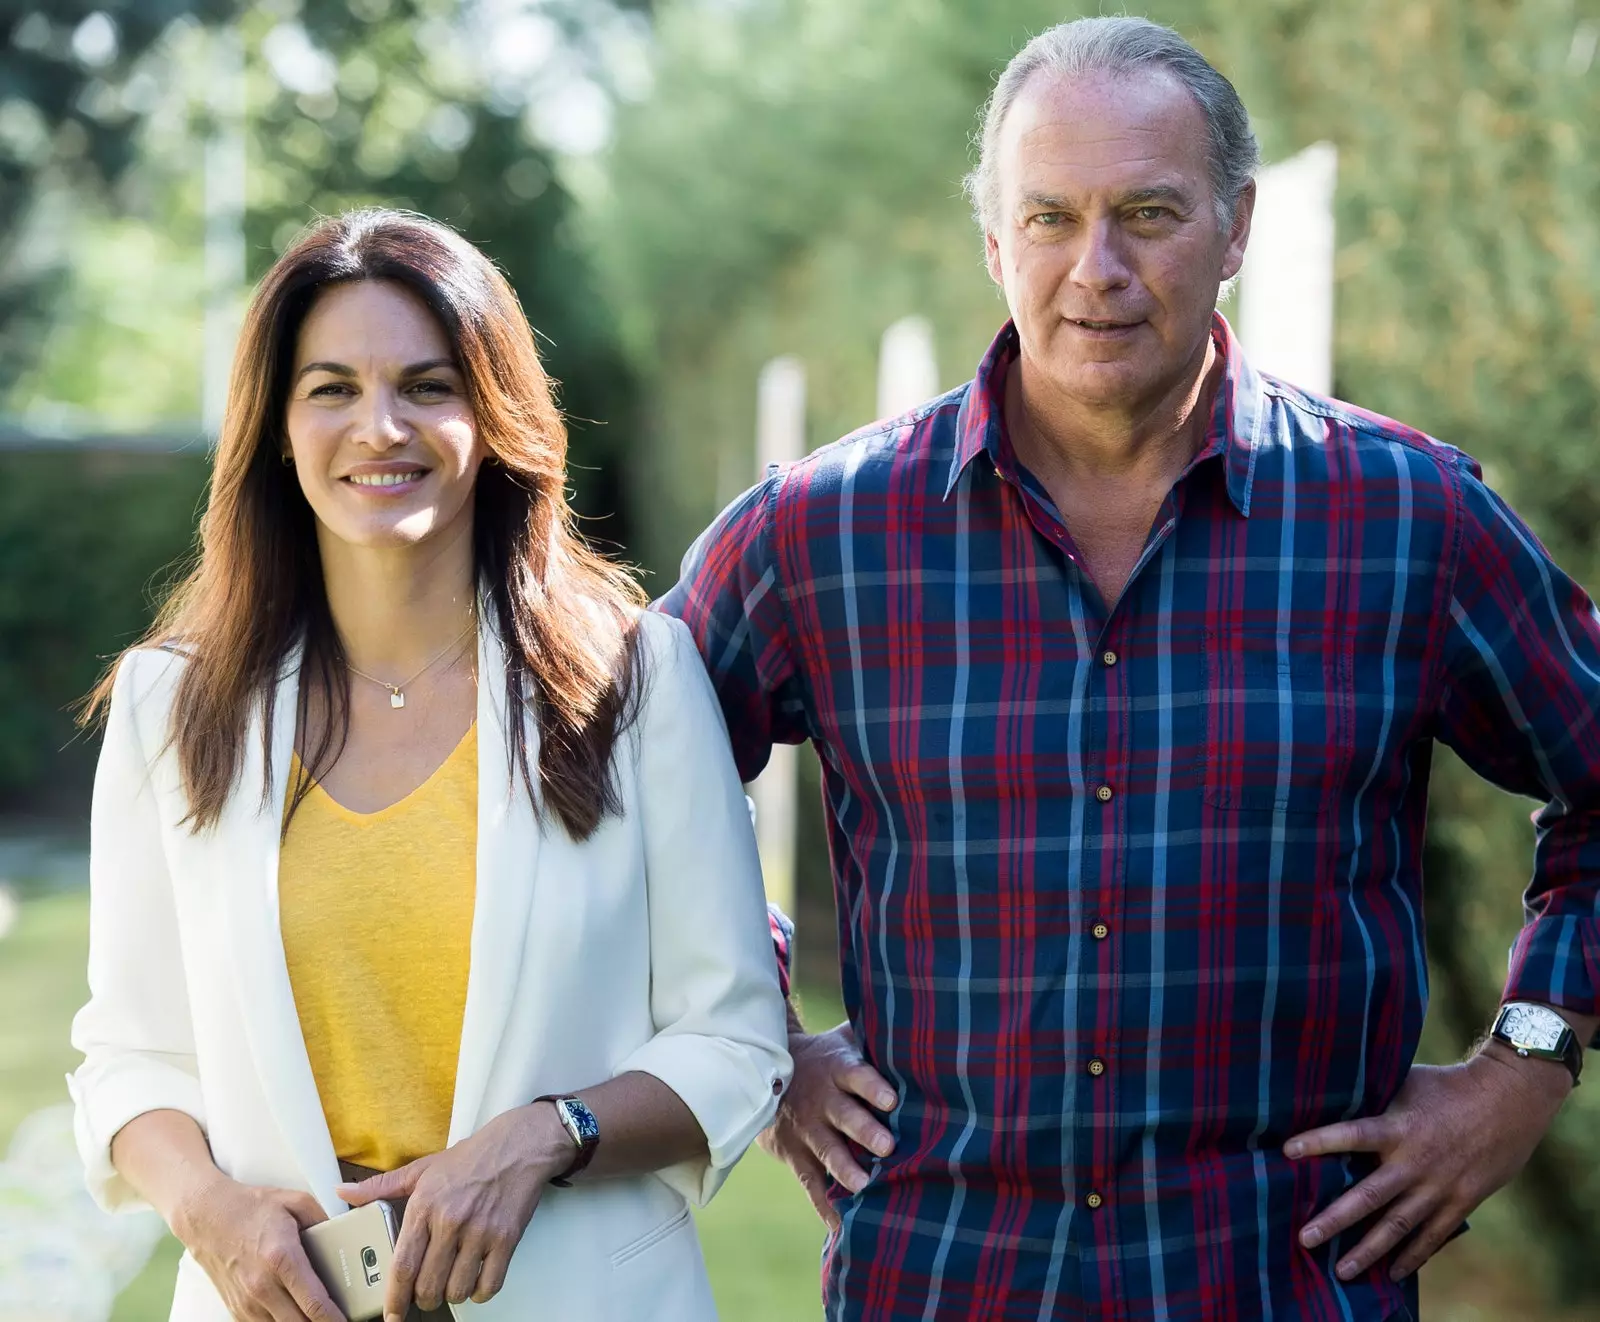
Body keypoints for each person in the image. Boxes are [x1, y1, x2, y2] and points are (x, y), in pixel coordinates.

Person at [659, 16, 1600, 1322]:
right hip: (940, 1279)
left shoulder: (1409, 522)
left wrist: (1528, 1062)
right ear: (995, 241)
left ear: (1237, 226)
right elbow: (620, 787)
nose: (1095, 267)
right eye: (1049, 217)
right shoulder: (818, 536)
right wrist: (759, 1036)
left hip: (1279, 1282)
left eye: (1148, 212)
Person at [70, 208, 790, 1322]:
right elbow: (129, 1053)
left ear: (493, 415)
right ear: (275, 427)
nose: (380, 426)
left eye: (427, 384)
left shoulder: (636, 675)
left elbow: (735, 1039)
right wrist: (206, 1205)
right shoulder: (173, 705)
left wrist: (545, 1138)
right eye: (332, 389)